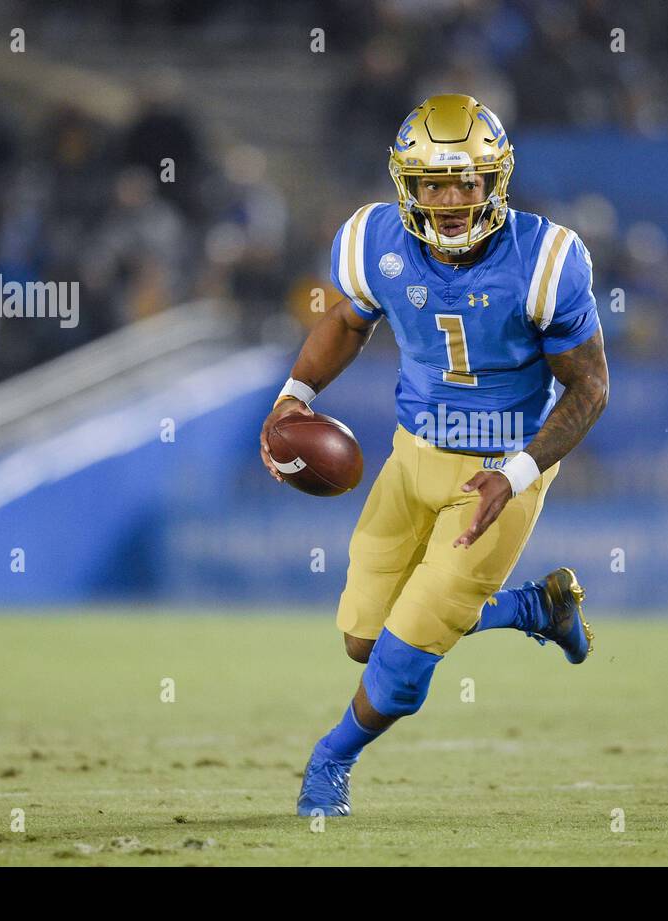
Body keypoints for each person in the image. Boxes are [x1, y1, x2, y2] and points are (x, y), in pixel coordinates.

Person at [258, 94, 610, 816]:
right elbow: (347, 323)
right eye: (433, 184)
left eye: (467, 182)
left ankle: (331, 761)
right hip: (410, 457)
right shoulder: (370, 241)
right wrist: (293, 394)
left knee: (398, 665)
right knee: (361, 639)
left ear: (495, 182)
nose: (450, 200)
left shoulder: (546, 260)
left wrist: (514, 476)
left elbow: (590, 390)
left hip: (501, 477)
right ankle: (534, 609)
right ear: (406, 186)